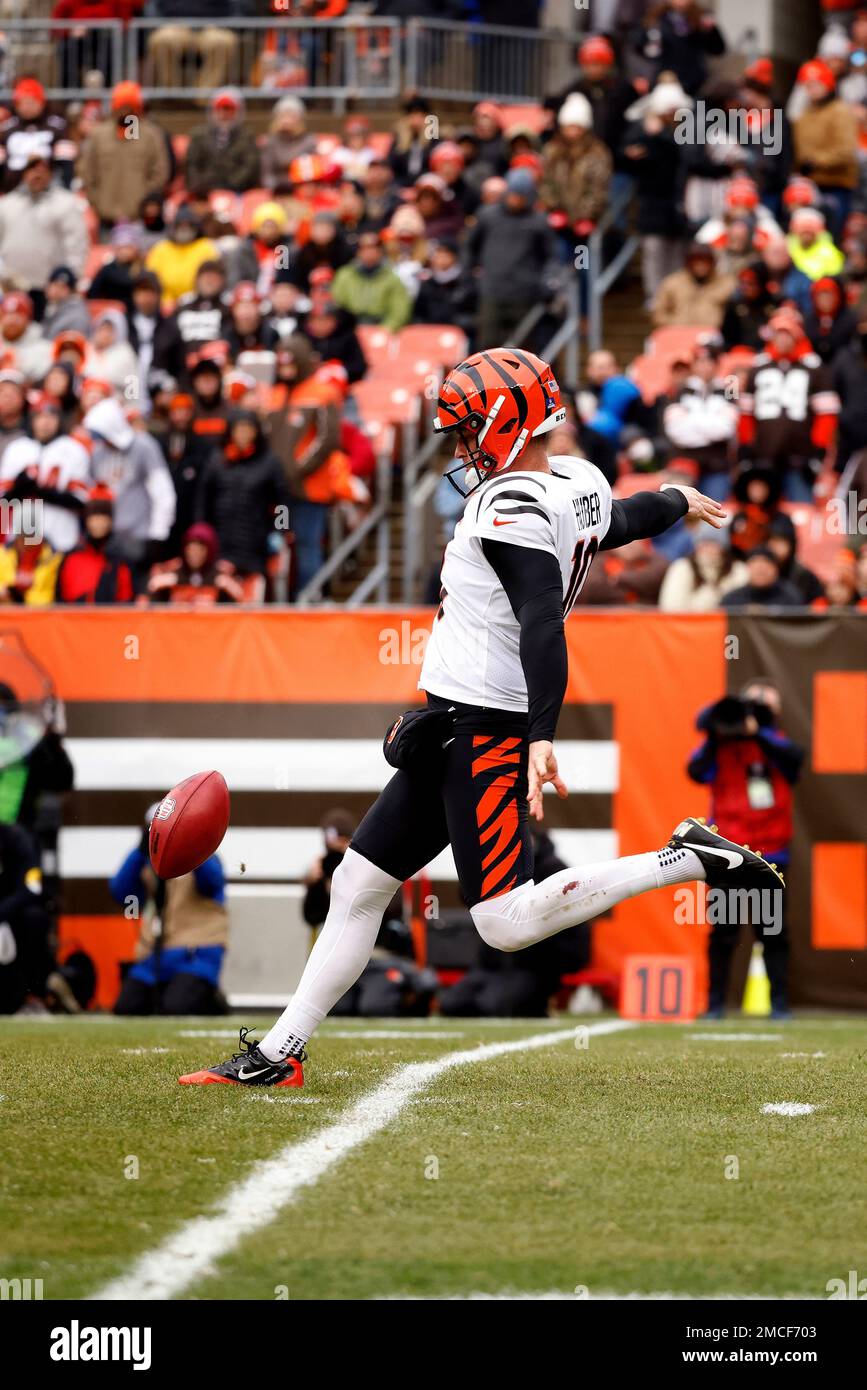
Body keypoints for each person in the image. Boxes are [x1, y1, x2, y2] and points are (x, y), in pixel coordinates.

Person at [180, 347, 783, 1088]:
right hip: (449, 722)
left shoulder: (512, 506)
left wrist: (539, 738)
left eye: (469, 430)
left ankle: (688, 857)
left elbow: (540, 621)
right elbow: (621, 518)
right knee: (358, 884)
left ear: (507, 418)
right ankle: (280, 1054)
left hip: (488, 729)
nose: (461, 447)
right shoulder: (569, 482)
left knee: (503, 922)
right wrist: (673, 499)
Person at [687, 682, 803, 1017]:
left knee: (773, 933)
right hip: (728, 853)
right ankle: (714, 1006)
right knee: (723, 932)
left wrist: (759, 732)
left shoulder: (777, 746)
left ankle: (780, 1006)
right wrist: (721, 723)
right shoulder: (719, 747)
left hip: (771, 855)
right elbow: (694, 769)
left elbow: (796, 761)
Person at [111, 805, 228, 1016]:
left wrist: (191, 843)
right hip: (154, 956)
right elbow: (122, 893)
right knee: (127, 1008)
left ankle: (212, 999)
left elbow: (212, 883)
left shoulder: (204, 855)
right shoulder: (147, 863)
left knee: (176, 1007)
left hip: (195, 953)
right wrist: (139, 852)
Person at [466, 169, 559, 349]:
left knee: (523, 347)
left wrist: (547, 282)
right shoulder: (487, 215)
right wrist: (469, 279)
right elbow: (470, 248)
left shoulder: (538, 221)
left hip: (525, 293)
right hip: (492, 290)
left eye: (521, 196)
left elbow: (551, 256)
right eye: (513, 195)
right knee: (488, 345)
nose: (515, 200)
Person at [79, 83, 170, 228]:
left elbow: (160, 172)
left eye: (129, 106)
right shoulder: (98, 135)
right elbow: (88, 172)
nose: (125, 111)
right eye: (121, 105)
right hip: (106, 217)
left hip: (139, 218)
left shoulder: (150, 135)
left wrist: (146, 200)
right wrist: (97, 202)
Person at [55, 485, 134, 604]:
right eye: (94, 516)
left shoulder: (120, 561)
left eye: (104, 516)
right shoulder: (71, 559)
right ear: (86, 519)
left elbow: (125, 602)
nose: (99, 522)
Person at [331, 231, 412, 335]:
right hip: (350, 327)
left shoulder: (392, 278)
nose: (369, 252)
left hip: (380, 326)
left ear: (381, 252)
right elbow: (336, 303)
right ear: (358, 252)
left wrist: (388, 328)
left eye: (373, 248)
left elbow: (400, 310)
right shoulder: (345, 275)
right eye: (364, 249)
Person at [184, 88, 261, 195]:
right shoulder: (199, 136)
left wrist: (230, 186)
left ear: (238, 112)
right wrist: (201, 188)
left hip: (237, 192)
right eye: (219, 109)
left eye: (229, 109)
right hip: (204, 192)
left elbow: (249, 167)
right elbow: (192, 165)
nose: (224, 114)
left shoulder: (247, 137)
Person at [651, 242, 735, 328]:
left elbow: (736, 314)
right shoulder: (672, 283)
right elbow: (659, 313)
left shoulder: (727, 284)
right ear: (688, 262)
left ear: (713, 262)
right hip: (678, 333)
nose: (701, 265)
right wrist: (675, 324)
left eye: (706, 261)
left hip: (713, 334)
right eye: (696, 261)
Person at [720, 546, 804, 608]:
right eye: (755, 565)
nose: (760, 570)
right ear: (747, 568)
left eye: (766, 564)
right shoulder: (732, 599)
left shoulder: (790, 596)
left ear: (776, 569)